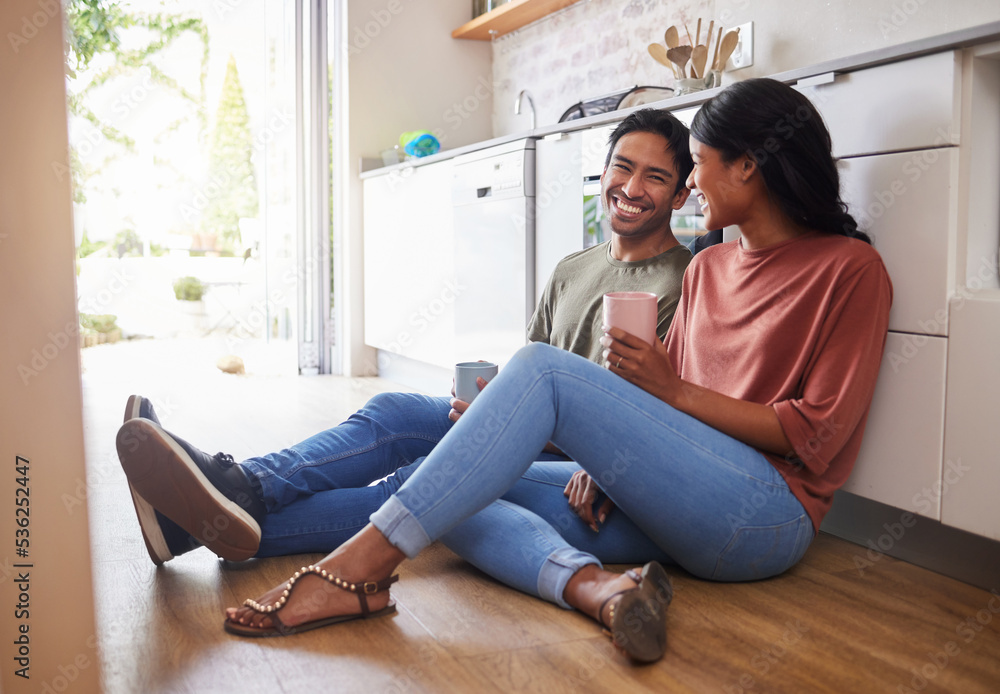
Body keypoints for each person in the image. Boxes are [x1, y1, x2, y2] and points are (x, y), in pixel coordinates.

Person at [209, 78, 893, 663]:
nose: (695, 182)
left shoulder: (849, 270)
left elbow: (816, 435)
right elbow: (660, 404)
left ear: (748, 167)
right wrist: (608, 453)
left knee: (542, 371)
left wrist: (665, 397)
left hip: (763, 518)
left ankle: (356, 572)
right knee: (454, 484)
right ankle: (212, 521)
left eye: (701, 163)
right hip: (669, 497)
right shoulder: (712, 266)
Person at [118, 108, 695, 572]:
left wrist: (555, 439)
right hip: (532, 426)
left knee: (419, 470)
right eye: (623, 166)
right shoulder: (574, 266)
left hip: (576, 455)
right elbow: (537, 362)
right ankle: (242, 487)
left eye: (656, 176)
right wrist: (491, 393)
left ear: (680, 195)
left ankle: (219, 517)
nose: (632, 187)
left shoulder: (681, 282)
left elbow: (638, 416)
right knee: (392, 409)